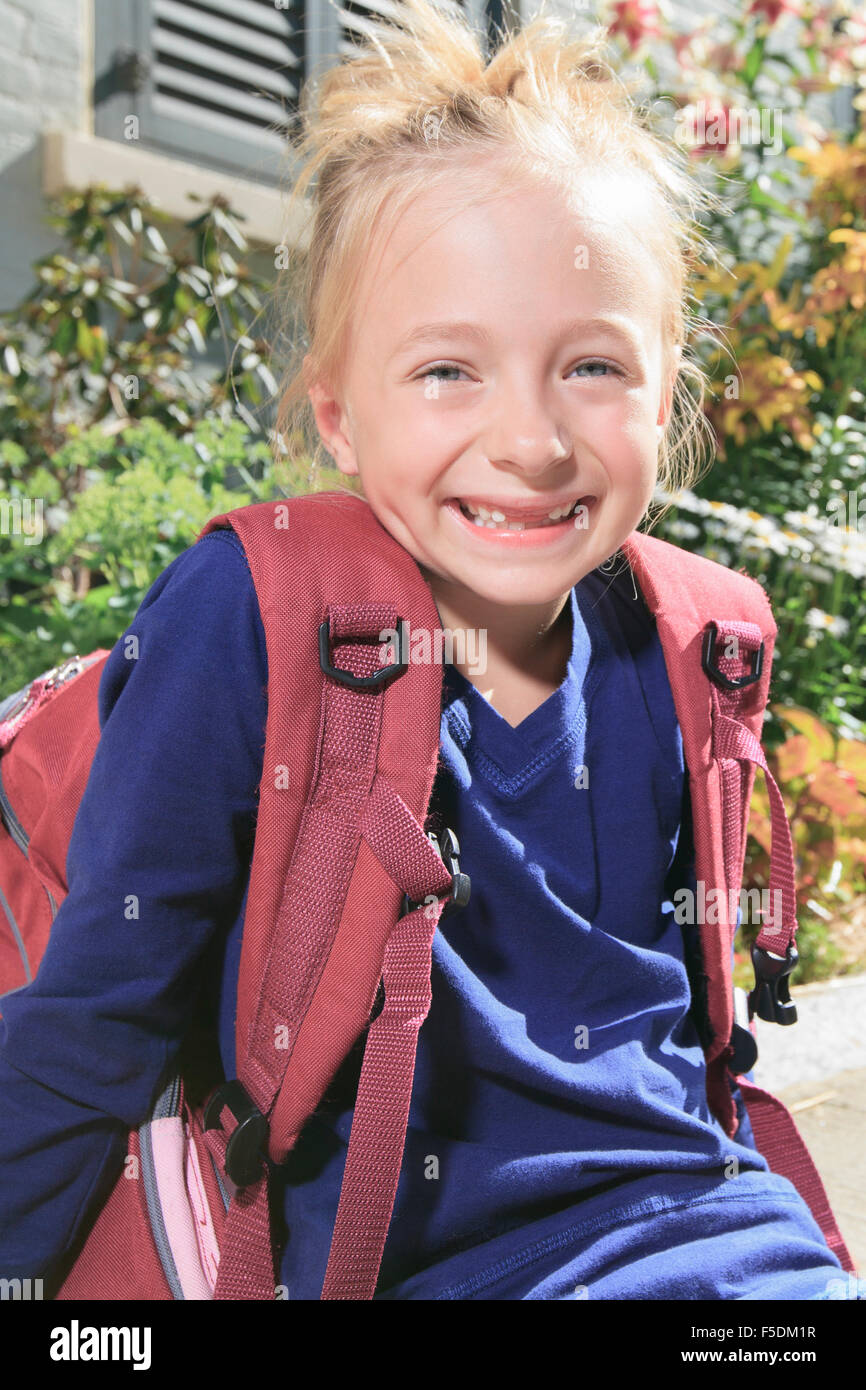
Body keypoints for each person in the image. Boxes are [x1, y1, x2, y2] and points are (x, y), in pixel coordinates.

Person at [0, 0, 858, 1300]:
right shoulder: (253, 621)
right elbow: (98, 1012)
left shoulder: (693, 643)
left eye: (591, 366)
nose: (528, 438)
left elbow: (681, 1029)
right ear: (337, 411)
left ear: (668, 388)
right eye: (447, 370)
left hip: (722, 1248)